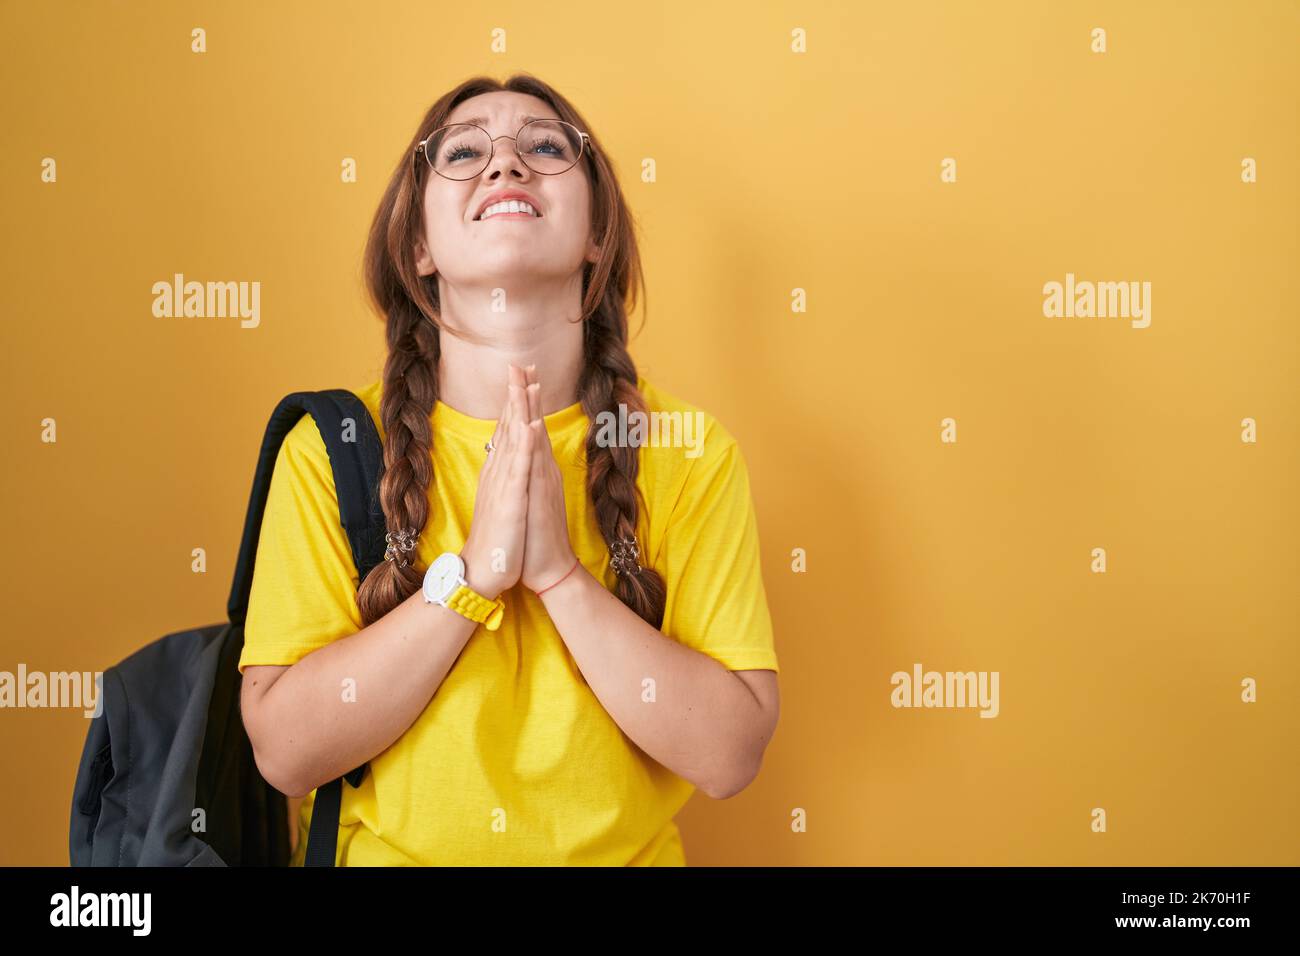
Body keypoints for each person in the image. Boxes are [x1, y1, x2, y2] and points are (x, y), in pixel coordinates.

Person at [236, 73, 780, 866]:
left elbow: (730, 755)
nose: (505, 166)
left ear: (597, 233)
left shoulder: (688, 453)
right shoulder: (332, 449)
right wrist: (470, 579)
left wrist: (559, 575)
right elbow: (284, 752)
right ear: (419, 245)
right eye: (464, 151)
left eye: (545, 147)